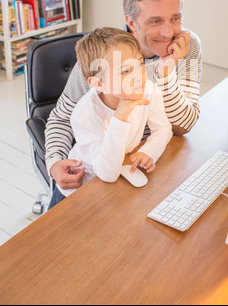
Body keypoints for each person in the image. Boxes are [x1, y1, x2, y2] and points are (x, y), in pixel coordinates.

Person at [45, 0, 202, 193]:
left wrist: (167, 73)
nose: (168, 32)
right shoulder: (102, 62)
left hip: (143, 161)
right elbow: (61, 119)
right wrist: (53, 163)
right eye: (155, 21)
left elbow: (183, 125)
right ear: (131, 22)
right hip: (94, 168)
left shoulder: (187, 47)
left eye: (175, 18)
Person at [49, 27, 172, 208]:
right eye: (125, 71)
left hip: (117, 178)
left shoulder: (148, 90)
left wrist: (149, 152)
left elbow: (163, 129)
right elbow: (106, 173)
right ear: (100, 83)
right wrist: (120, 117)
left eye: (139, 64)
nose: (138, 76)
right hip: (82, 187)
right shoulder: (85, 113)